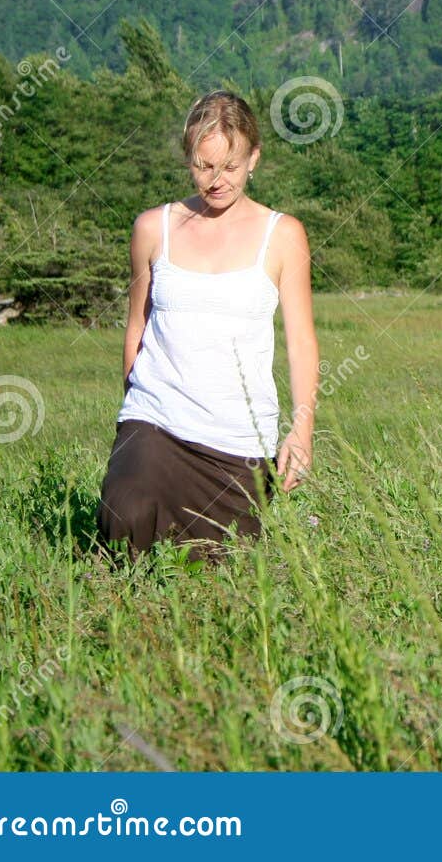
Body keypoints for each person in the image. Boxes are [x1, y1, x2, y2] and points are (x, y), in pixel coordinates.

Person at [97, 91, 318, 564]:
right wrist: (131, 428)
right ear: (187, 158)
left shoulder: (283, 235)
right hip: (156, 421)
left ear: (254, 158)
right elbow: (137, 324)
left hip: (237, 442)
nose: (216, 181)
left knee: (217, 568)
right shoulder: (152, 228)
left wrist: (302, 431)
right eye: (203, 166)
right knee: (126, 519)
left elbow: (300, 342)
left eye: (231, 167)